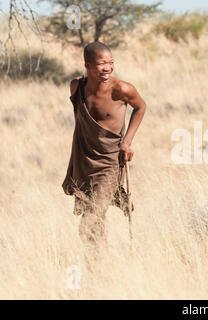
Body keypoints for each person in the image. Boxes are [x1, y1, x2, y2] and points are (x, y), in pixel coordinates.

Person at [62, 41, 146, 253]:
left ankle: (98, 265)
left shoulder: (122, 89)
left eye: (111, 62)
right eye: (101, 63)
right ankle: (98, 270)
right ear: (87, 64)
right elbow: (79, 131)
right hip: (85, 163)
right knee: (97, 221)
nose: (108, 68)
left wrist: (127, 142)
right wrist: (70, 172)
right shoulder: (77, 87)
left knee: (87, 224)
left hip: (110, 165)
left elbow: (140, 107)